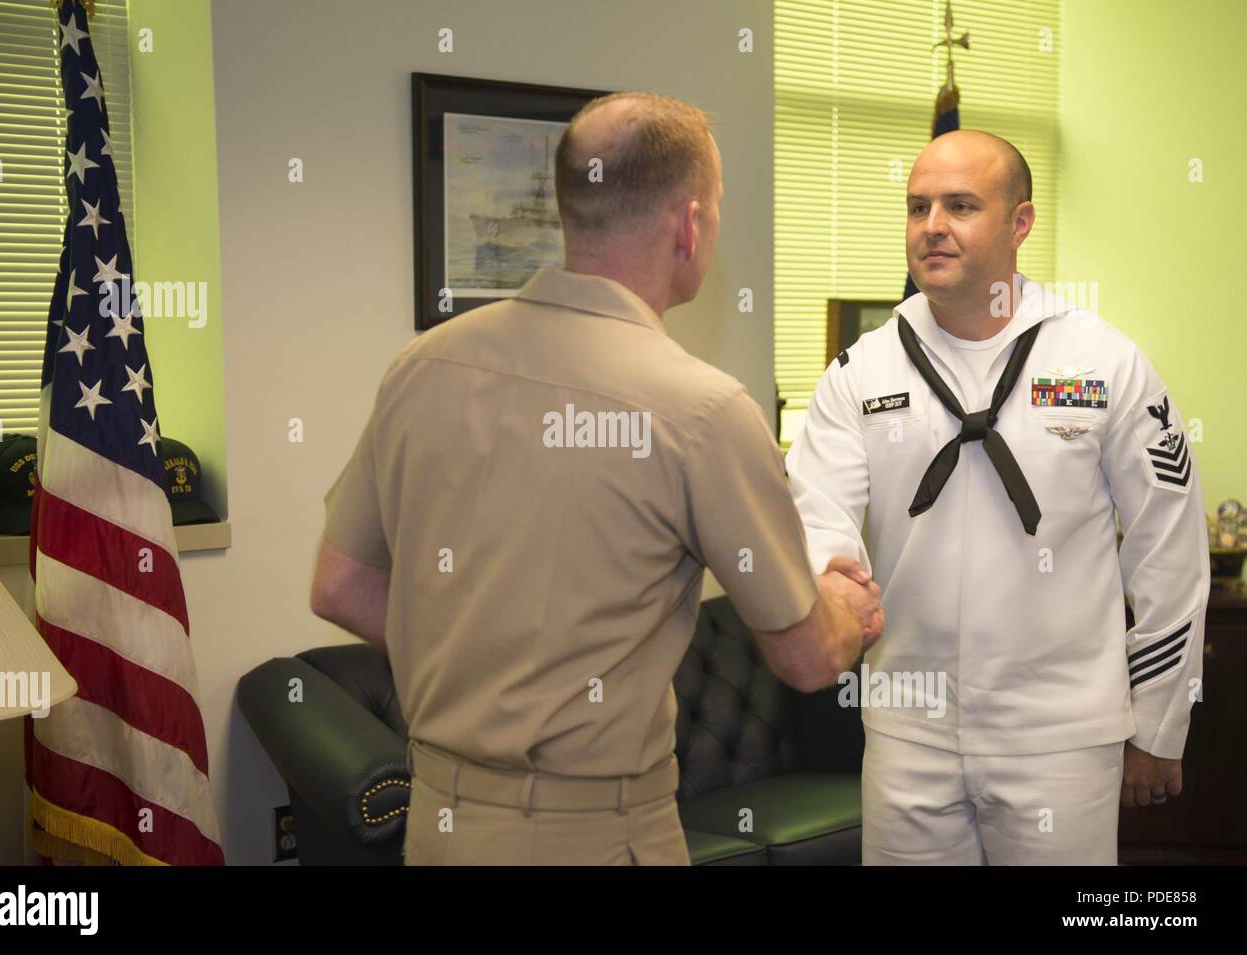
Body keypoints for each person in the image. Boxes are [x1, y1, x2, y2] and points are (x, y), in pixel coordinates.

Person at [310, 91, 881, 866]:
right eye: (713, 210)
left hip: (439, 825)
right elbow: (808, 657)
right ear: (689, 224)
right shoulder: (701, 410)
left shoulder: (422, 367)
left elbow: (339, 585)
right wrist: (845, 606)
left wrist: (480, 651)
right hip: (593, 834)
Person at [786, 129, 1210, 865]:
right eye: (918, 207)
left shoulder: (1101, 361)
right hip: (906, 730)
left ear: (1020, 223)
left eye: (960, 205)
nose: (932, 226)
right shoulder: (860, 371)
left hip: (1061, 736)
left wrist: (1158, 721)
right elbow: (817, 515)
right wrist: (832, 580)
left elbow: (1168, 547)